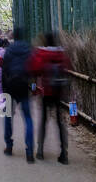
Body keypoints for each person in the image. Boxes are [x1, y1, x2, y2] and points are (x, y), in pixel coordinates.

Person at [30, 32, 71, 164]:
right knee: (60, 122)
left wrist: (34, 87)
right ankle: (64, 153)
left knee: (43, 121)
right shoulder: (62, 54)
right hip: (59, 92)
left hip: (46, 91)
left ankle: (40, 150)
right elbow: (68, 68)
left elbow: (34, 69)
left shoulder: (41, 53)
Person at [1, 27, 34, 162]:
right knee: (28, 118)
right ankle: (30, 150)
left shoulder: (9, 50)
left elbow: (5, 69)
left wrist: (4, 89)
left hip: (10, 86)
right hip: (23, 86)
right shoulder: (28, 49)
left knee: (8, 116)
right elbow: (32, 68)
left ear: (14, 36)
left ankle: (9, 145)